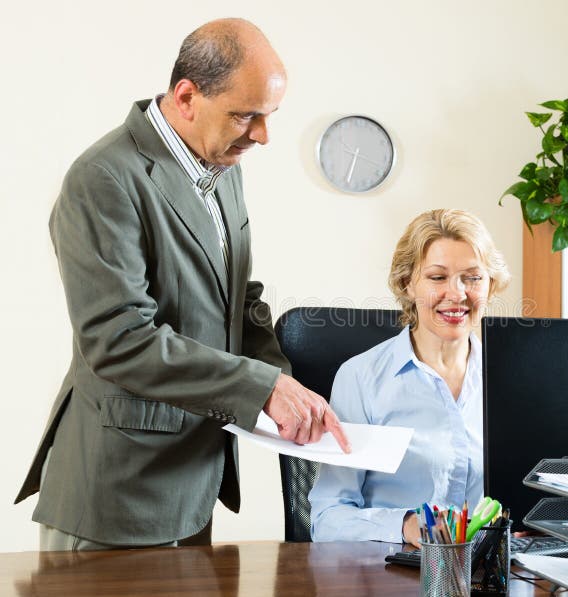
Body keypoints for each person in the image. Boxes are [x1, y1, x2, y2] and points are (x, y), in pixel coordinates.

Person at [14, 18, 349, 551]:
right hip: (118, 494)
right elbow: (119, 340)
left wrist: (284, 383)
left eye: (270, 116)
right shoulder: (102, 178)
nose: (262, 135)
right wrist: (260, 388)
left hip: (193, 483)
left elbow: (237, 295)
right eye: (247, 115)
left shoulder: (220, 160)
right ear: (187, 96)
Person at [309, 209, 510, 545]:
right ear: (407, 284)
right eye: (437, 277)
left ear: (490, 286)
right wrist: (404, 526)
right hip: (390, 571)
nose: (457, 293)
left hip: (489, 573)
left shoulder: (510, 378)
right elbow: (327, 519)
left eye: (473, 277)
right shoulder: (361, 378)